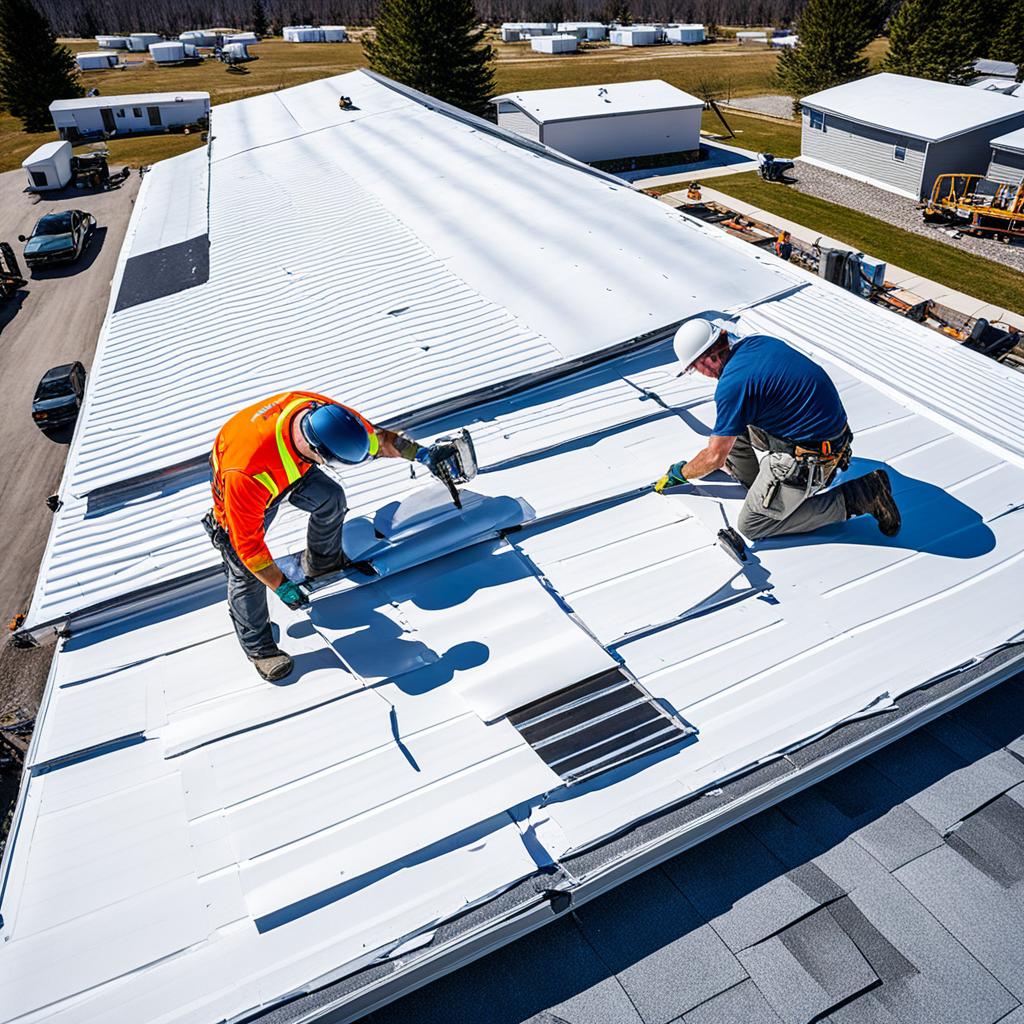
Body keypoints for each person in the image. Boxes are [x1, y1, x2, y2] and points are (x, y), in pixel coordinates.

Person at [204, 391, 437, 681]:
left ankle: (322, 563)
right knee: (244, 570)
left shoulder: (325, 415)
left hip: (290, 464)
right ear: (314, 447)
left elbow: (378, 441)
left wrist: (422, 454)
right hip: (253, 483)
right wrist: (281, 585)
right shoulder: (247, 475)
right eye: (327, 460)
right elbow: (249, 547)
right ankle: (260, 649)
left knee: (331, 498)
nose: (328, 465)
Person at [654, 316, 901, 543]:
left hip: (814, 458)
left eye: (695, 367)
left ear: (708, 359)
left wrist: (682, 473)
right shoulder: (758, 344)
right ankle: (762, 490)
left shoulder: (732, 386)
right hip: (833, 437)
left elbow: (714, 456)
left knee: (753, 524)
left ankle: (859, 496)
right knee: (732, 424)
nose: (700, 373)